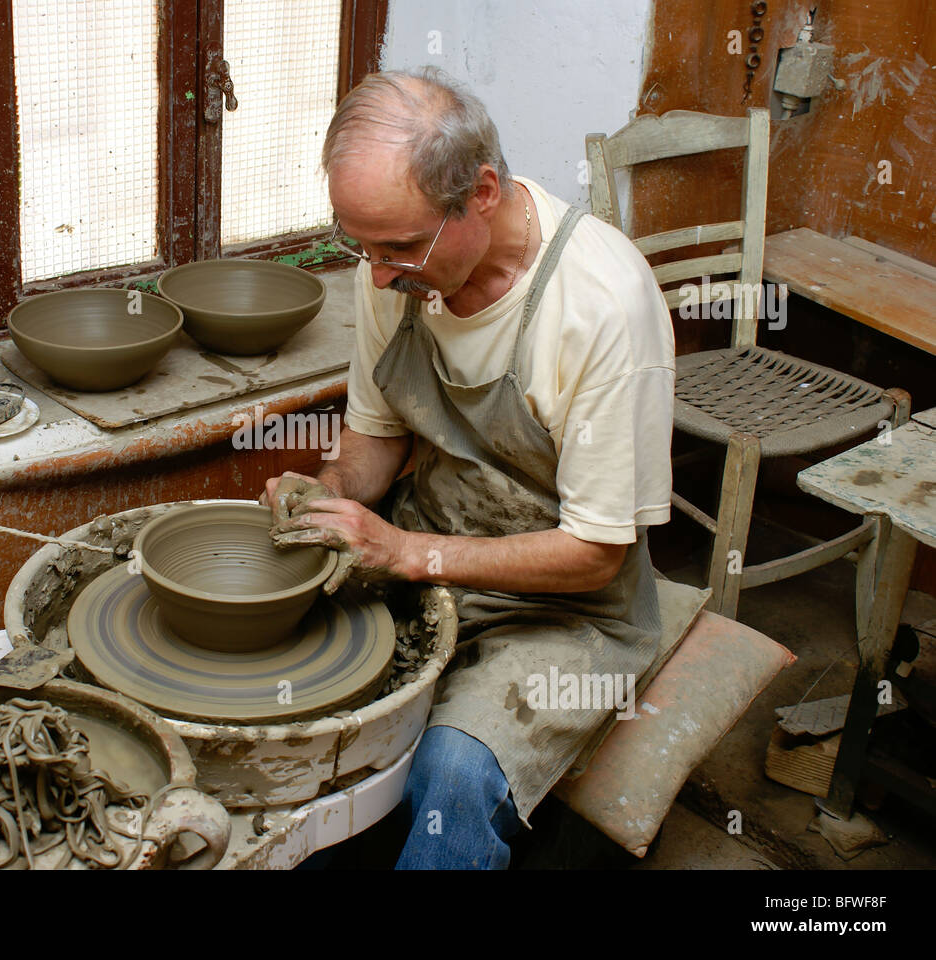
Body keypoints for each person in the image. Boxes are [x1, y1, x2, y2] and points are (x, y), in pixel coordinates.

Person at [263, 67, 675, 869]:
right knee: (275, 667)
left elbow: (597, 553)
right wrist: (332, 494)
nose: (377, 275)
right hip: (424, 549)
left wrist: (407, 554)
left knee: (454, 772)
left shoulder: (600, 308)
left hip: (570, 609)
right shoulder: (393, 269)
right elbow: (376, 438)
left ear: (482, 191)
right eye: (361, 246)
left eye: (399, 247)